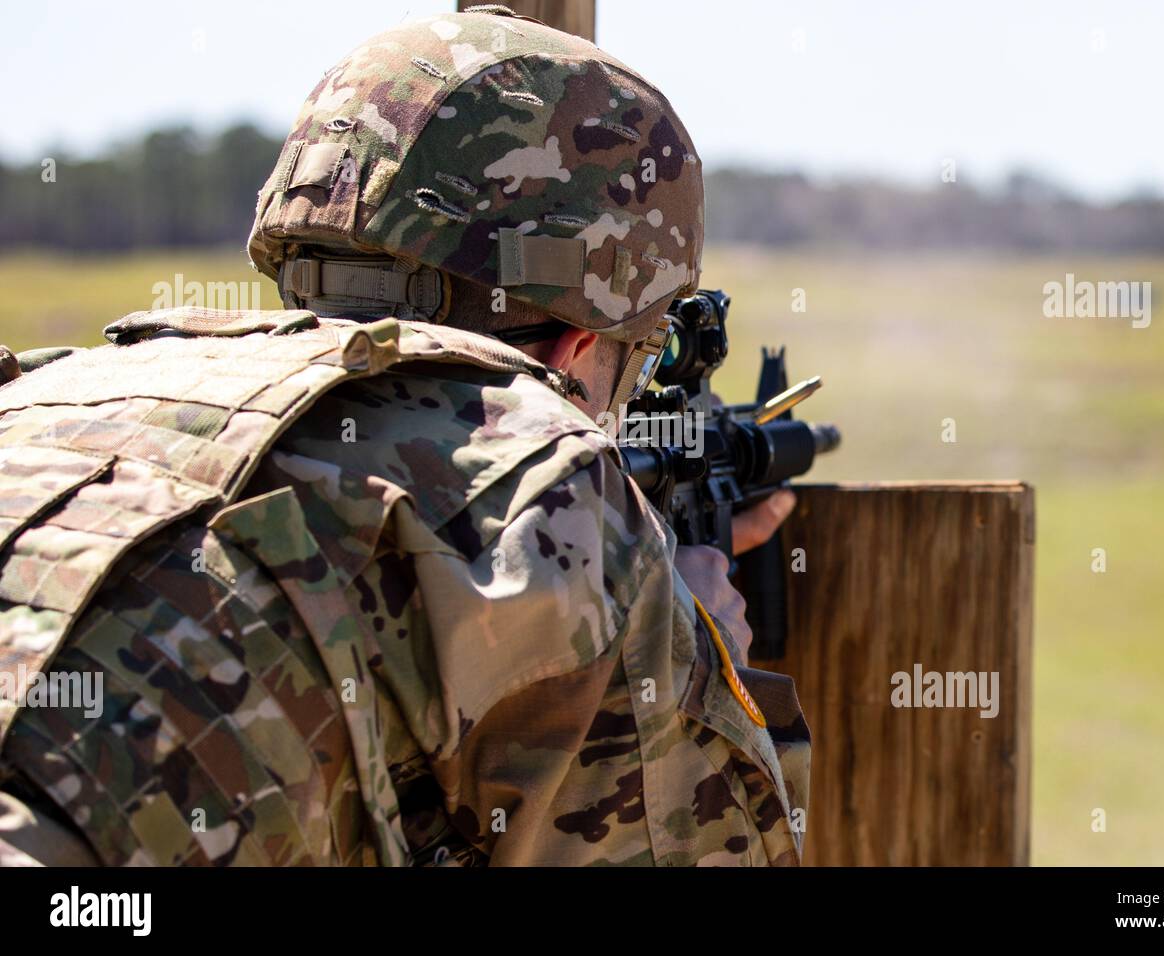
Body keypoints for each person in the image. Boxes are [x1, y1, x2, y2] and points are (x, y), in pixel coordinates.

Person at [0, 5, 809, 866]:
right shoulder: (536, 479)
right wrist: (701, 661)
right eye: (639, 361)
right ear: (579, 346)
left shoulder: (43, 394)